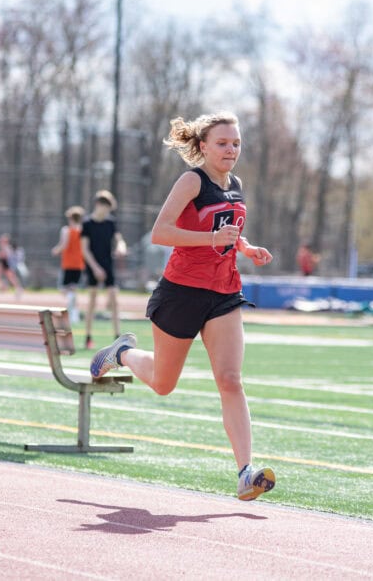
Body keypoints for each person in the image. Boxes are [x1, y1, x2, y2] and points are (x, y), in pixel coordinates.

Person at [89, 112, 276, 501]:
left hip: (223, 293)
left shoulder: (235, 185)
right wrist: (211, 239)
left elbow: (229, 231)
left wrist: (245, 247)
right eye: (223, 143)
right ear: (203, 146)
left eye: (236, 143)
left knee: (230, 379)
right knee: (163, 384)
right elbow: (161, 232)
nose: (231, 150)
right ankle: (122, 353)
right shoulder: (192, 180)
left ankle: (245, 472)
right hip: (181, 292)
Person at [81, 190, 127, 349]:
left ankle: (117, 337)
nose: (107, 211)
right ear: (98, 205)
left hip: (107, 264)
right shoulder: (87, 224)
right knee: (92, 300)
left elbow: (119, 239)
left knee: (114, 298)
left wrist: (121, 247)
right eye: (105, 207)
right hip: (93, 265)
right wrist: (95, 268)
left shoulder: (110, 223)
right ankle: (88, 336)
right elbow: (85, 250)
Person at [51, 205, 85, 323]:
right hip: (79, 264)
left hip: (68, 263)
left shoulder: (66, 230)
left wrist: (56, 250)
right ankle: (74, 314)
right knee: (74, 289)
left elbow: (64, 245)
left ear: (71, 218)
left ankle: (71, 309)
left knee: (63, 288)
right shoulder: (82, 230)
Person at [0, 233, 22, 297]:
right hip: (3, 263)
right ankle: (3, 287)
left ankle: (17, 288)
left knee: (11, 277)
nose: (0, 241)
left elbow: (5, 256)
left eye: (2, 240)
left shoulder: (6, 247)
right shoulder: (4, 247)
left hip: (6, 263)